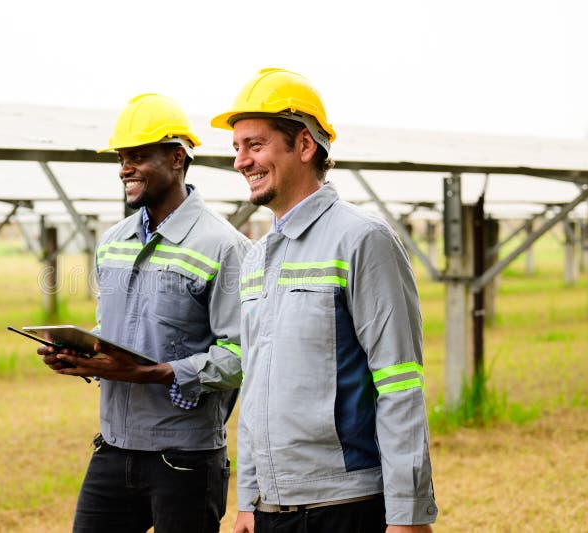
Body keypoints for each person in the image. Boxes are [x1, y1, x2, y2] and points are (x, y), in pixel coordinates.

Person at [210, 68, 438, 533]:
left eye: (254, 145)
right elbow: (255, 388)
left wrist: (408, 515)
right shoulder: (255, 262)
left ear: (304, 146)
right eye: (237, 148)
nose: (240, 162)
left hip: (346, 505)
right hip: (271, 509)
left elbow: (399, 383)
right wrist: (249, 498)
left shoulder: (362, 241)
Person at [39, 93, 251, 533]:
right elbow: (116, 330)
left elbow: (241, 357)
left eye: (137, 157)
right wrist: (80, 352)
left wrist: (150, 373)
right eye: (121, 158)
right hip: (113, 449)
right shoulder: (113, 241)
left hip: (185, 458)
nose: (124, 169)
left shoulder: (224, 247)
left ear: (177, 158)